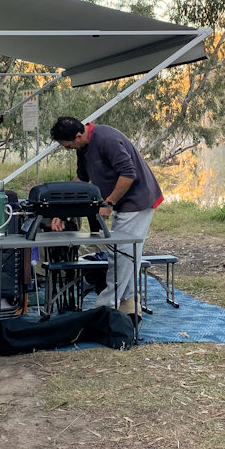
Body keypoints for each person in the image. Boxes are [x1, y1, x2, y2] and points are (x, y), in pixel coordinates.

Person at [49, 116, 162, 316]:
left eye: (68, 146)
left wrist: (109, 202)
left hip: (139, 199)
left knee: (121, 253)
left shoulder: (106, 139)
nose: (69, 150)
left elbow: (128, 173)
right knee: (127, 254)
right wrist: (62, 211)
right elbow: (82, 180)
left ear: (78, 135)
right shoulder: (82, 146)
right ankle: (128, 305)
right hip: (125, 201)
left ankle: (106, 306)